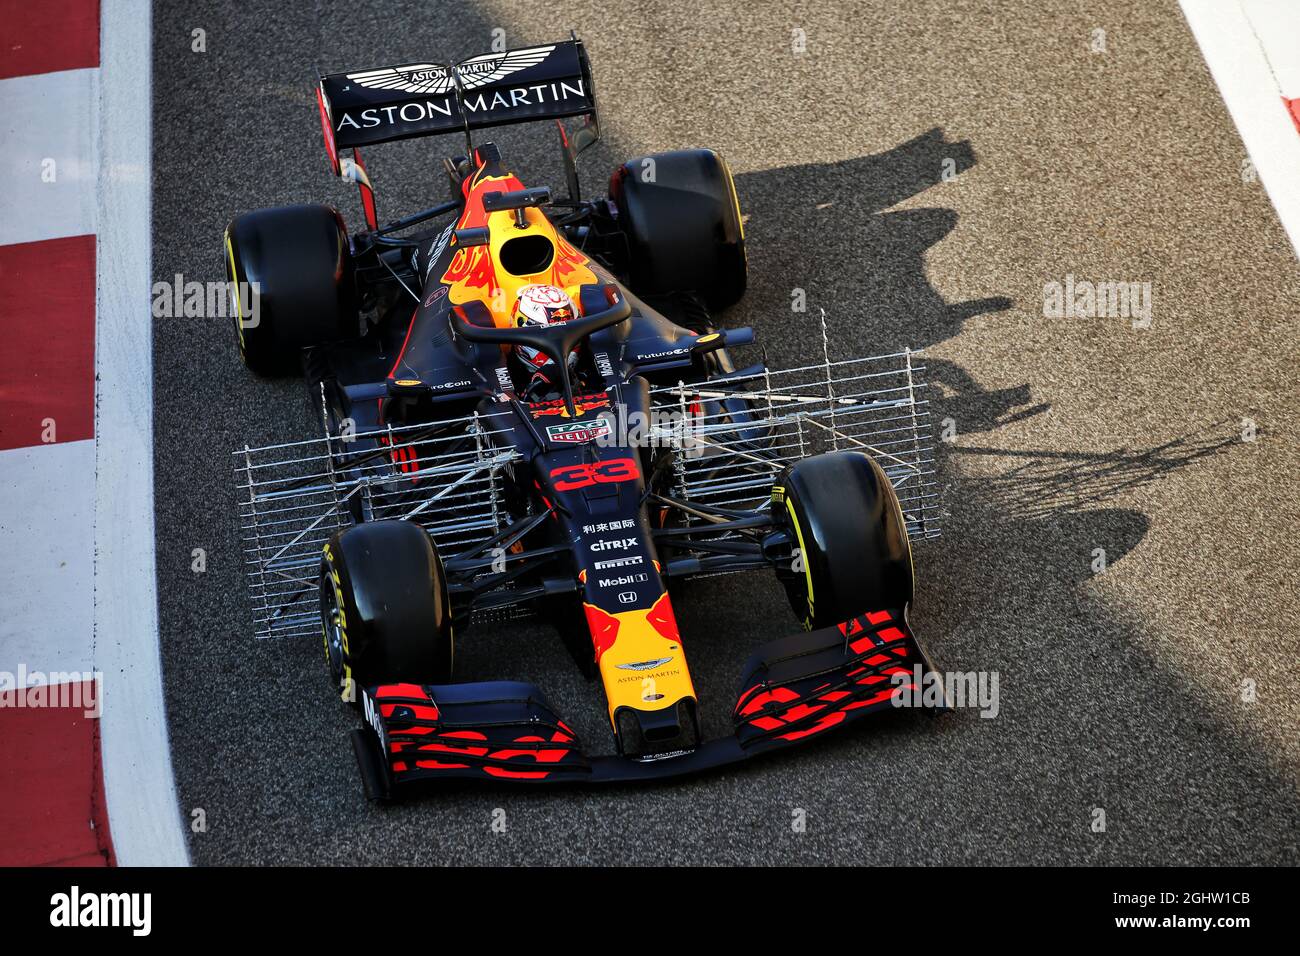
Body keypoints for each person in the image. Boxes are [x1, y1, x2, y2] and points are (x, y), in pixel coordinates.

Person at [510, 284, 581, 400]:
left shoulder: (588, 358)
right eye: (549, 337)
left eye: (568, 334)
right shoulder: (504, 369)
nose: (559, 344)